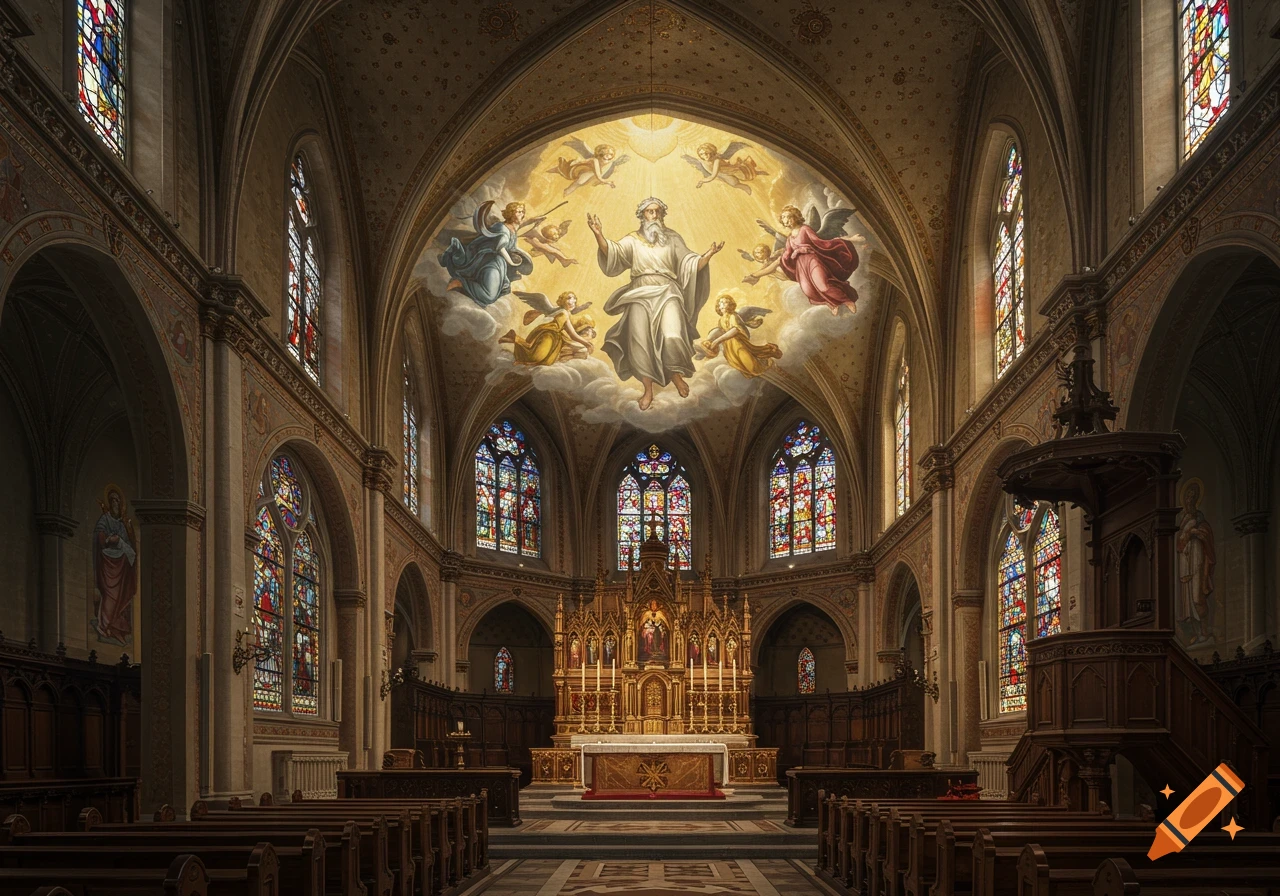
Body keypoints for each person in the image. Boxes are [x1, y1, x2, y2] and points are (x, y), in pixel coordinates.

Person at [587, 197, 724, 410]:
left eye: (657, 212)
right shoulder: (632, 240)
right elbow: (612, 253)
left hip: (668, 290)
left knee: (673, 334)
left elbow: (690, 263)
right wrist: (598, 235)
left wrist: (708, 255)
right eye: (650, 212)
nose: (654, 216)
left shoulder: (672, 238)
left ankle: (675, 374)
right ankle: (648, 389)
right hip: (639, 292)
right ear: (642, 216)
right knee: (639, 340)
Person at [439, 200, 533, 306]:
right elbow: (500, 248)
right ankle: (460, 283)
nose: (522, 214)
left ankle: (465, 285)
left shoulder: (512, 231)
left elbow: (513, 248)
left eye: (523, 212)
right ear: (511, 214)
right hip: (491, 262)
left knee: (500, 291)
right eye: (519, 212)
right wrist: (512, 263)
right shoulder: (503, 229)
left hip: (499, 264)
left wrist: (526, 256)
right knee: (489, 296)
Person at [699, 293, 782, 378]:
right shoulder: (720, 320)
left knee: (752, 367)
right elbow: (721, 332)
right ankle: (768, 375)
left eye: (726, 302)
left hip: (739, 344)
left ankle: (770, 366)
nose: (723, 304)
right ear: (718, 306)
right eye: (721, 302)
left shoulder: (732, 316)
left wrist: (717, 341)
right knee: (742, 366)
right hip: (730, 349)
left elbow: (735, 330)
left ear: (731, 305)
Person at [92, 488, 137, 645]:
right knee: (109, 596)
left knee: (120, 597)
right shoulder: (104, 519)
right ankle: (104, 625)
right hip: (108, 563)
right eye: (112, 500)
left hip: (121, 565)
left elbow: (127, 542)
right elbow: (100, 538)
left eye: (117, 500)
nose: (115, 503)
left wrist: (120, 541)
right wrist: (109, 540)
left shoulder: (122, 524)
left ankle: (116, 627)